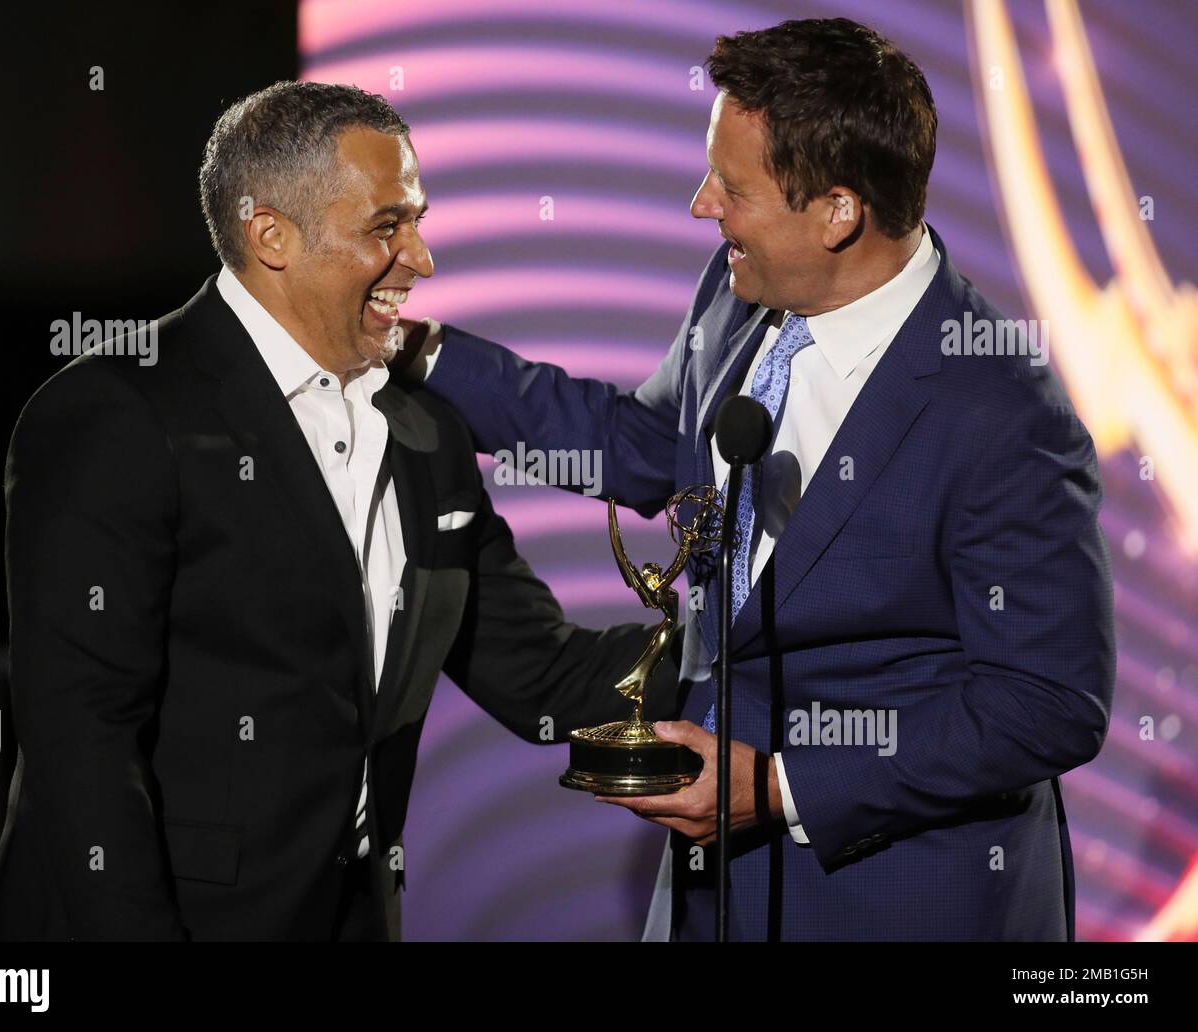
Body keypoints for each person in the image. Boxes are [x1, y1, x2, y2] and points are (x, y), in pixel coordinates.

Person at [400, 19, 1115, 940]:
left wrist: (779, 787)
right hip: (715, 894)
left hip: (894, 899)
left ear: (838, 212)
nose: (704, 207)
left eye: (732, 189)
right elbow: (649, 447)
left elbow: (1045, 705)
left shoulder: (1002, 416)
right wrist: (418, 355)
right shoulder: (744, 290)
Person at [0, 81, 685, 942]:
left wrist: (760, 628)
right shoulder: (118, 413)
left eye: (417, 221)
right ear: (271, 235)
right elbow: (82, 750)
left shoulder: (425, 432)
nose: (421, 259)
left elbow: (540, 678)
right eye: (387, 227)